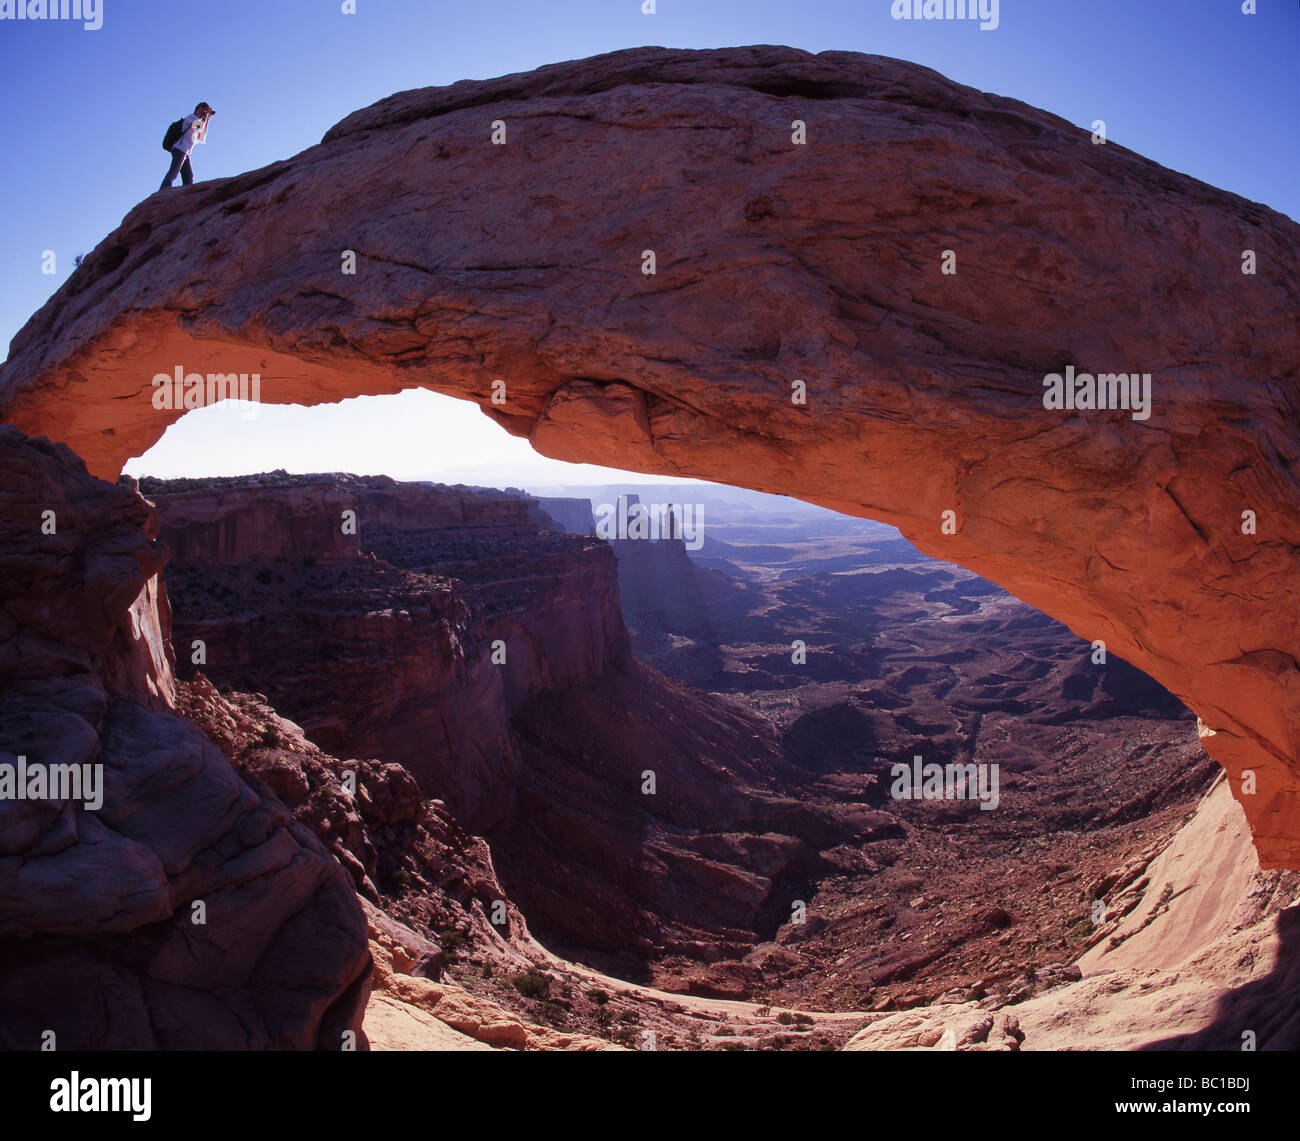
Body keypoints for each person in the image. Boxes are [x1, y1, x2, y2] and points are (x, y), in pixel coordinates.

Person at [160, 102, 214, 189]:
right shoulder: (191, 118)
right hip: (179, 149)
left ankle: (187, 194)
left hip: (185, 152)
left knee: (188, 177)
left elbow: (202, 137)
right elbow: (199, 126)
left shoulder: (199, 122)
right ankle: (164, 190)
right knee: (174, 172)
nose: (205, 112)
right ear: (199, 109)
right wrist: (205, 118)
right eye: (204, 109)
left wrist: (207, 120)